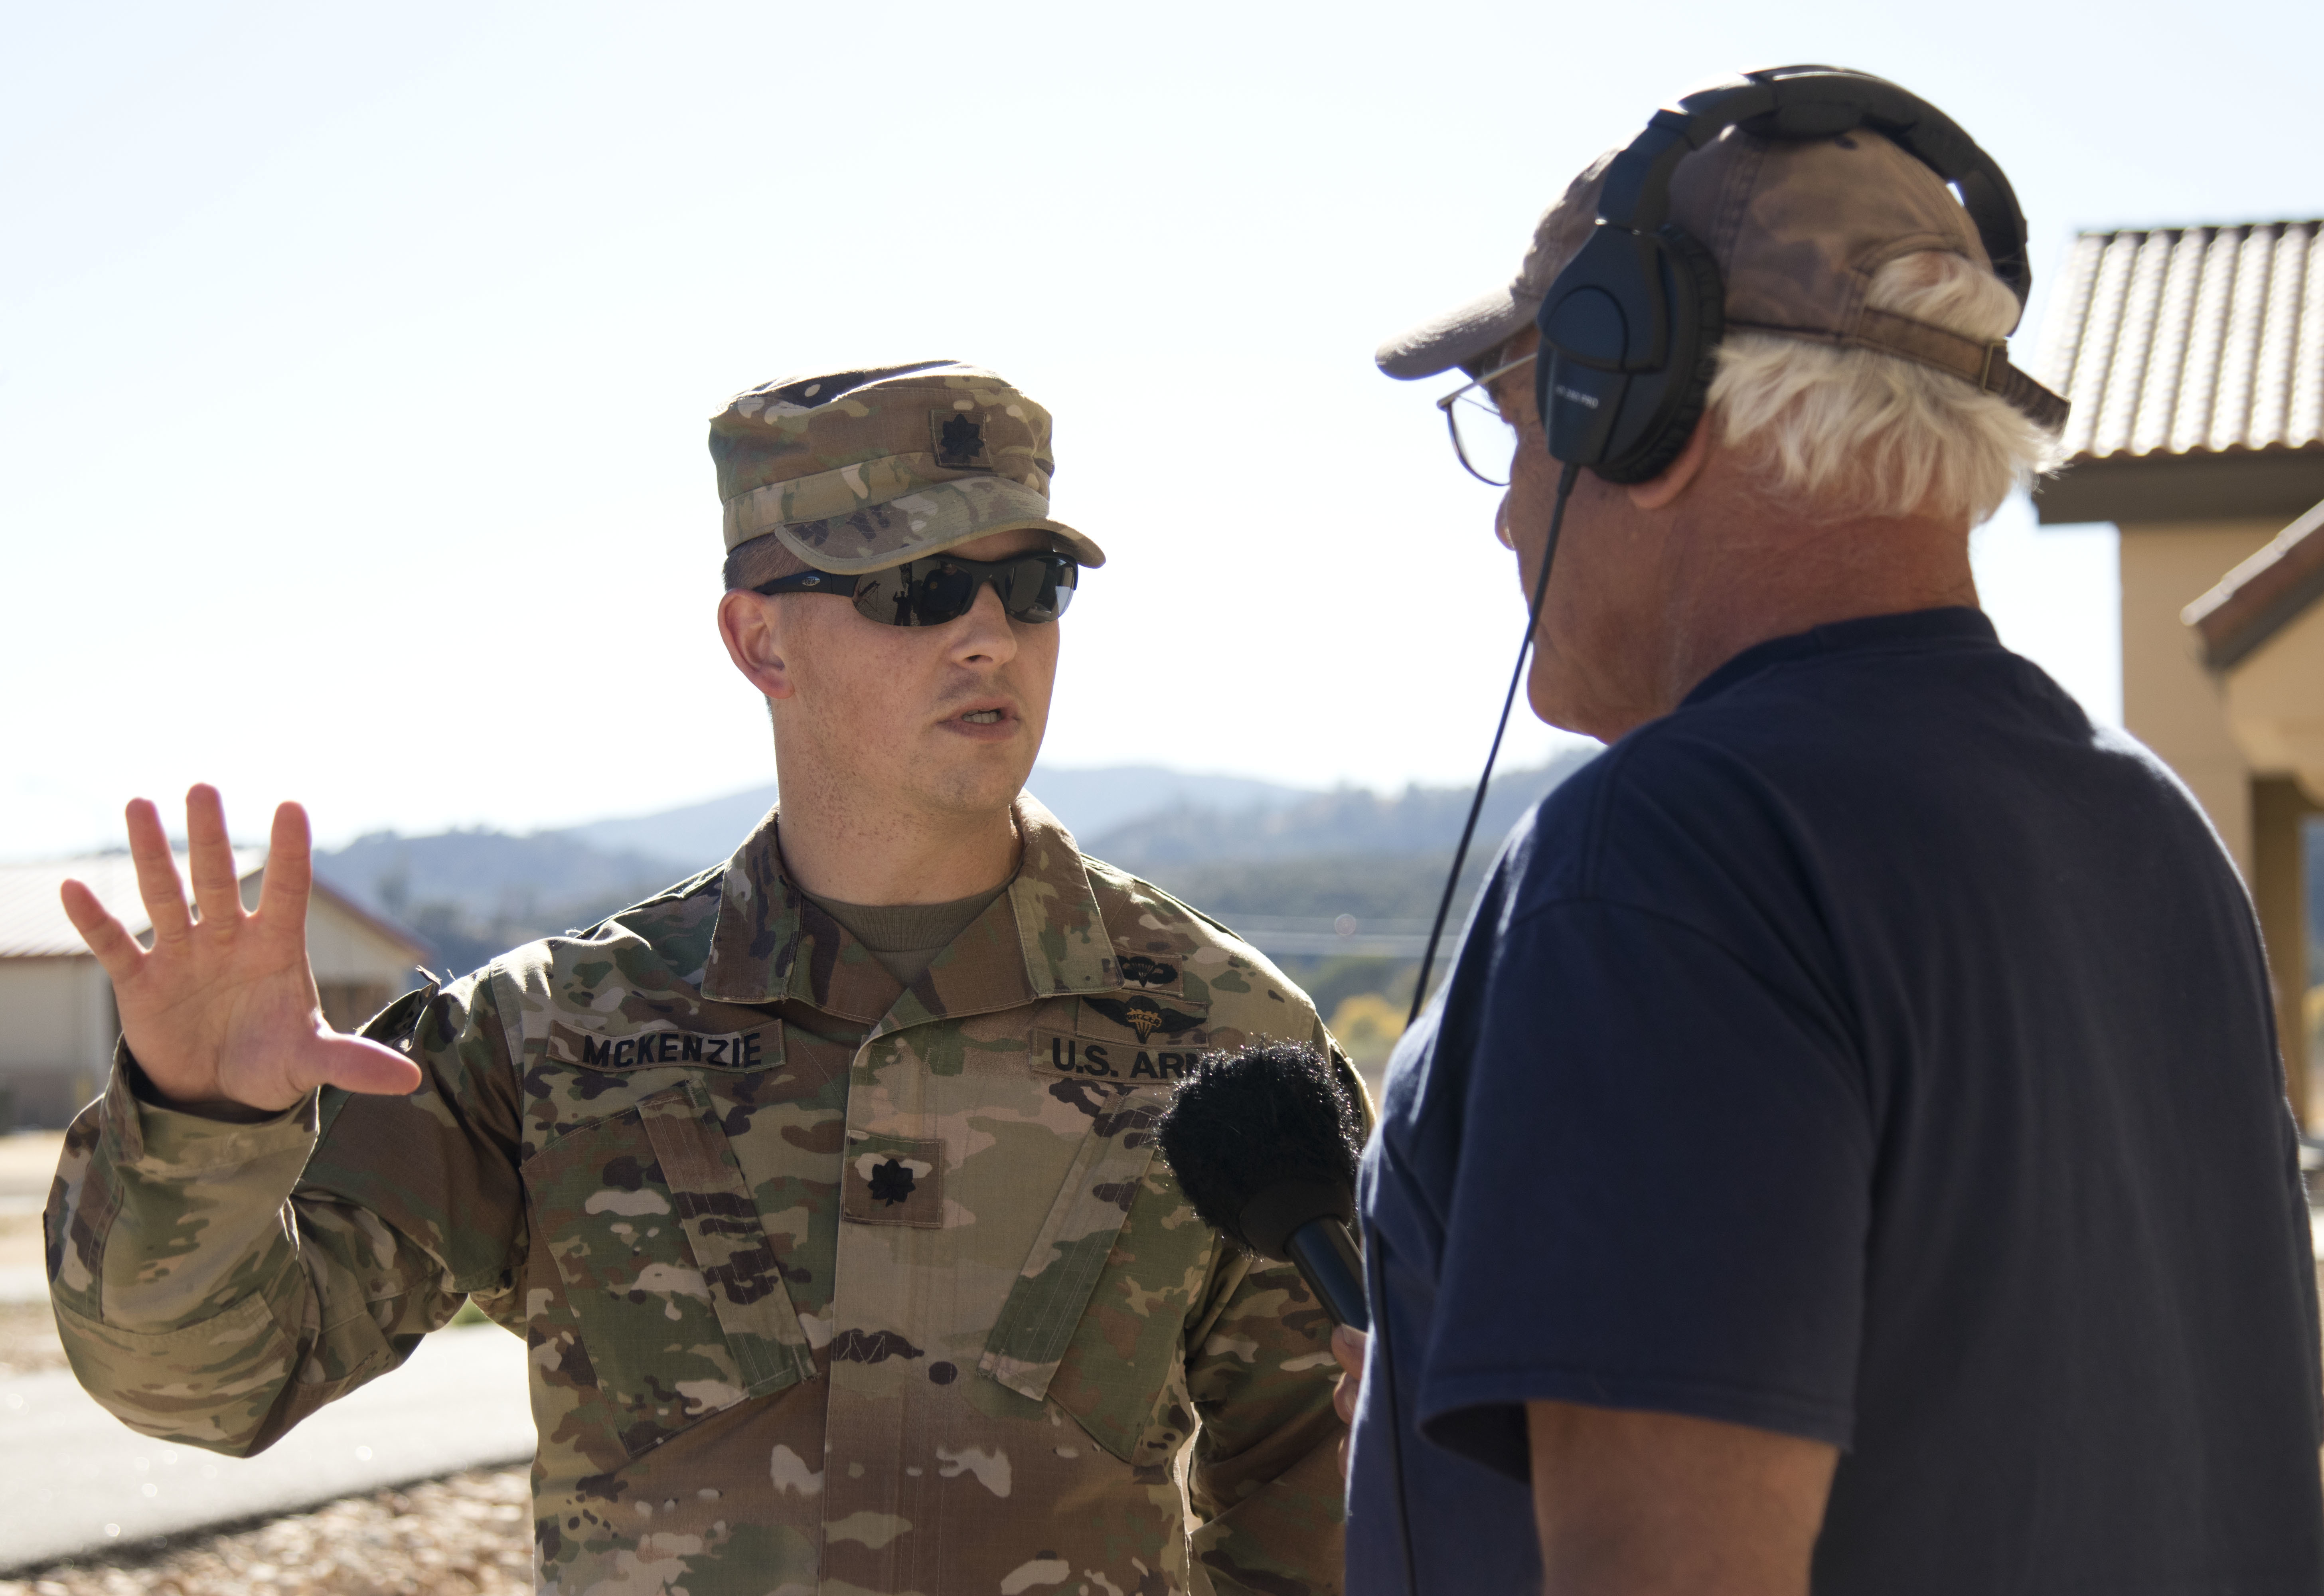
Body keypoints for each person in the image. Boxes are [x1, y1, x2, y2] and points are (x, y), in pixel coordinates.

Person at [47, 361, 1353, 1596]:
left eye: (1033, 589)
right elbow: (208, 1384)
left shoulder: (1219, 1037)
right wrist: (202, 1129)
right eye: (920, 586)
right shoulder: (551, 1037)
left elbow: (1323, 1495)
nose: (990, 637)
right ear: (759, 641)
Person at [1332, 71, 2324, 1595]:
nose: (1504, 508)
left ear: (1637, 407)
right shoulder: (2154, 830)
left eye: (1522, 414)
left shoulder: (1664, 861)